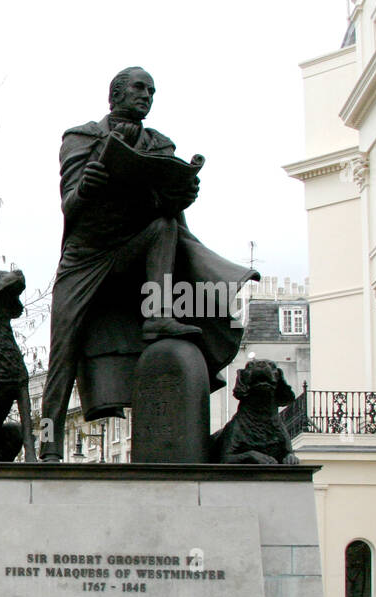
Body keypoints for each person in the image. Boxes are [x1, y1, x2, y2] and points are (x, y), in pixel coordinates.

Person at [38, 67, 257, 461]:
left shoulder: (159, 144)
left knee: (164, 226)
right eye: (139, 88)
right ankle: (49, 442)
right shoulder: (81, 137)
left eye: (152, 91)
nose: (147, 96)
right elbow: (70, 205)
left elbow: (166, 208)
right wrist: (88, 184)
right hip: (85, 257)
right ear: (115, 94)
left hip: (133, 249)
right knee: (63, 351)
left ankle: (158, 314)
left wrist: (183, 193)